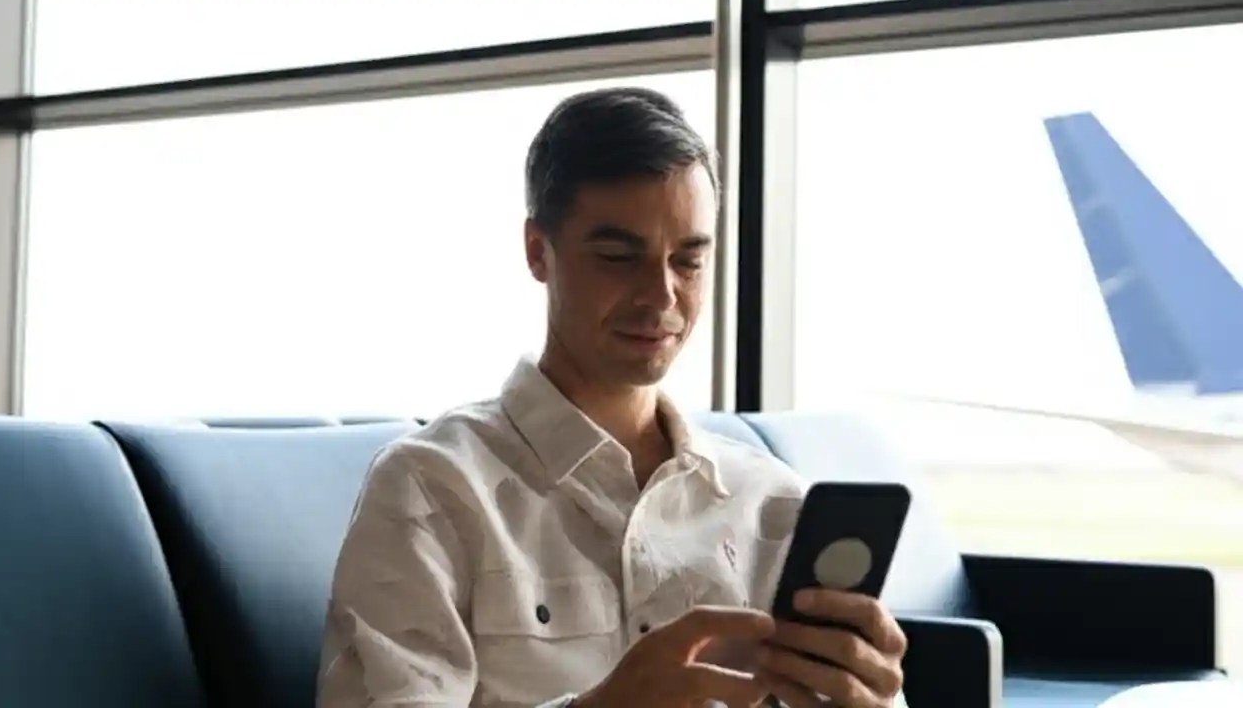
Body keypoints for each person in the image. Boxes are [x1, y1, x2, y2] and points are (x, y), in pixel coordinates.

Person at [317, 87, 908, 708]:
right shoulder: (431, 488)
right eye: (618, 257)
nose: (661, 295)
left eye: (688, 261)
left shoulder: (774, 504)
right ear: (538, 252)